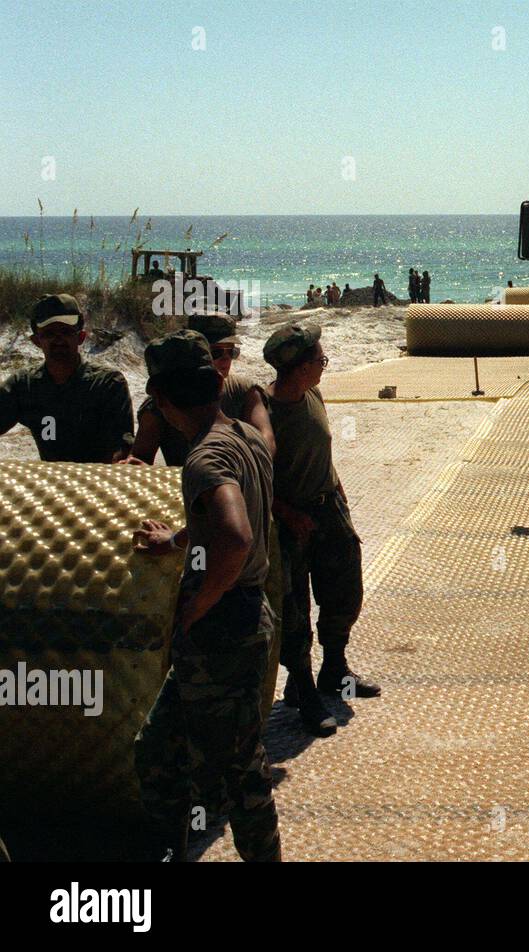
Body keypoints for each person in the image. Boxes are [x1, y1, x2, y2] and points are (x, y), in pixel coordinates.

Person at [132, 330, 282, 863]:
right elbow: (217, 523)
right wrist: (174, 539)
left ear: (164, 403)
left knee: (238, 770)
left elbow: (236, 535)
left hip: (223, 626)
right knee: (159, 752)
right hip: (243, 617)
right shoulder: (245, 435)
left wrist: (200, 602)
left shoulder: (203, 458)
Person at [263, 321, 379, 737]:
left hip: (329, 509)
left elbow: (322, 453)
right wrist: (288, 514)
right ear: (296, 368)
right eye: (318, 360)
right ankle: (303, 689)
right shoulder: (265, 412)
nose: (323, 365)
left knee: (344, 589)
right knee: (293, 608)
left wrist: (339, 499)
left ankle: (335, 667)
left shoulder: (313, 394)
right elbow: (257, 478)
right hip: (289, 520)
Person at [124, 311, 275, 467]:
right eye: (216, 352)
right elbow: (140, 458)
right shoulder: (164, 402)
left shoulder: (245, 390)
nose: (226, 359)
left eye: (231, 352)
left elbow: (266, 444)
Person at [0, 294, 134, 462]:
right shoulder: (24, 385)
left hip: (100, 482)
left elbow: (122, 447)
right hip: (51, 483)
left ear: (81, 337)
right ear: (36, 341)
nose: (58, 339)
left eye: (66, 331)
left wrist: (120, 462)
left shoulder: (107, 384)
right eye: (49, 333)